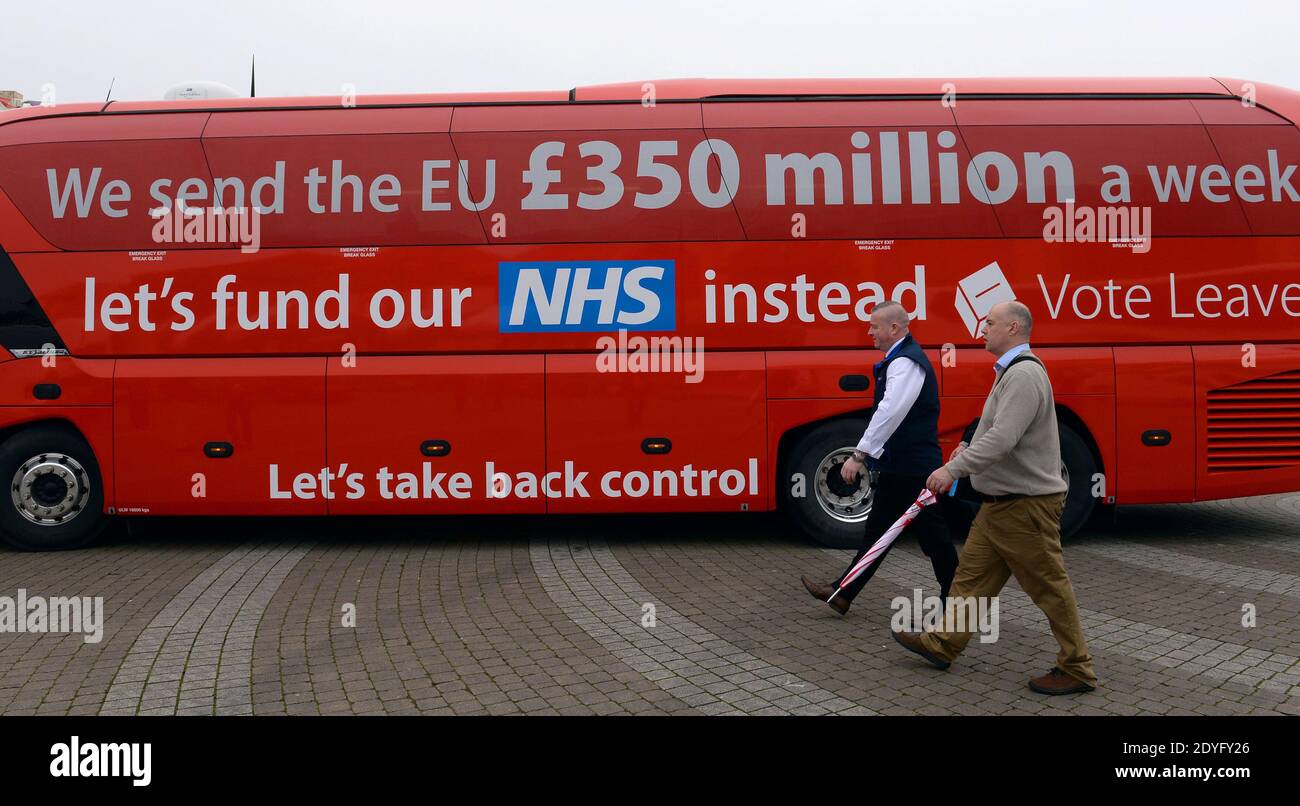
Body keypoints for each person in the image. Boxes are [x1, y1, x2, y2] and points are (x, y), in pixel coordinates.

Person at [893, 300, 1099, 695]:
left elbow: (1003, 440)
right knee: (970, 581)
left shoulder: (1023, 376)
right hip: (1000, 505)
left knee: (1049, 588)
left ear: (1015, 328)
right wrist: (966, 453)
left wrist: (953, 469)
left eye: (990, 323)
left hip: (1024, 506)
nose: (981, 329)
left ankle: (1078, 667)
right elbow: (995, 433)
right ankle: (942, 644)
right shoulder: (1011, 373)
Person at [800, 301, 958, 615]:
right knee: (880, 532)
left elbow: (890, 412)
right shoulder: (899, 359)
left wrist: (859, 455)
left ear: (894, 328)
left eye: (874, 326)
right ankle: (843, 592)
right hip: (901, 466)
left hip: (915, 469)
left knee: (935, 538)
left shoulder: (906, 363)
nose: (869, 331)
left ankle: (956, 597)